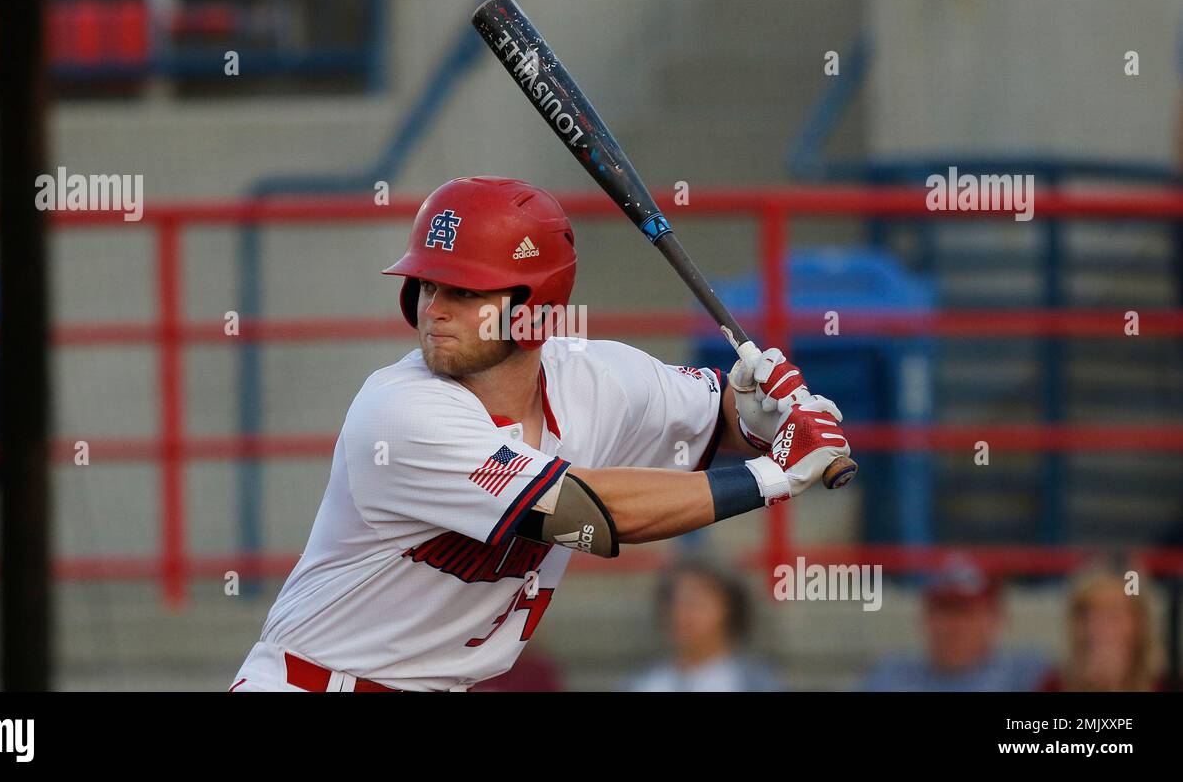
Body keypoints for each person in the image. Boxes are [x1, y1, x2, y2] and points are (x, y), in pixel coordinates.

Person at [230, 176, 850, 692]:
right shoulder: (400, 413)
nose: (434, 309)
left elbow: (718, 417)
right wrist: (774, 476)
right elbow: (588, 512)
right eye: (428, 284)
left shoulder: (595, 379)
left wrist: (764, 416)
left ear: (535, 303)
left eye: (464, 290)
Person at [858, 553, 1048, 692]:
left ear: (996, 619)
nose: (951, 626)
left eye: (964, 613)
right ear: (923, 618)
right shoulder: (889, 676)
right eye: (942, 611)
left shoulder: (1026, 676)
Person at [626, 559, 781, 692]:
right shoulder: (645, 683)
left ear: (729, 609)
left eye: (695, 602)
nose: (681, 613)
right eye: (673, 601)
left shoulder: (754, 684)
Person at [1036, 570, 1164, 692]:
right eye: (1086, 616)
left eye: (1112, 616)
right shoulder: (1053, 684)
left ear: (1138, 625)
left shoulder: (1163, 685)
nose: (1096, 629)